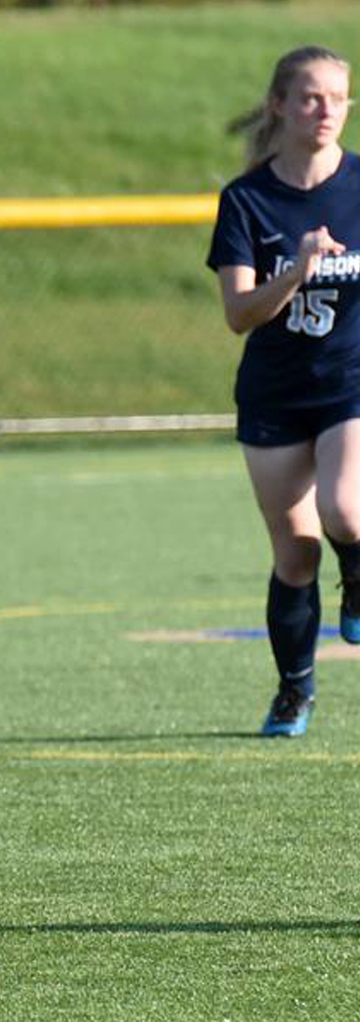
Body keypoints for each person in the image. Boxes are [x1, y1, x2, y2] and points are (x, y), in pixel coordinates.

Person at [210, 46, 360, 737]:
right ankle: (294, 691)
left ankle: (356, 581)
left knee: (346, 510)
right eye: (310, 98)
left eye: (338, 97)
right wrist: (296, 268)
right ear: (278, 106)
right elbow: (239, 315)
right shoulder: (247, 199)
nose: (326, 110)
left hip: (349, 383)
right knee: (295, 553)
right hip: (273, 394)